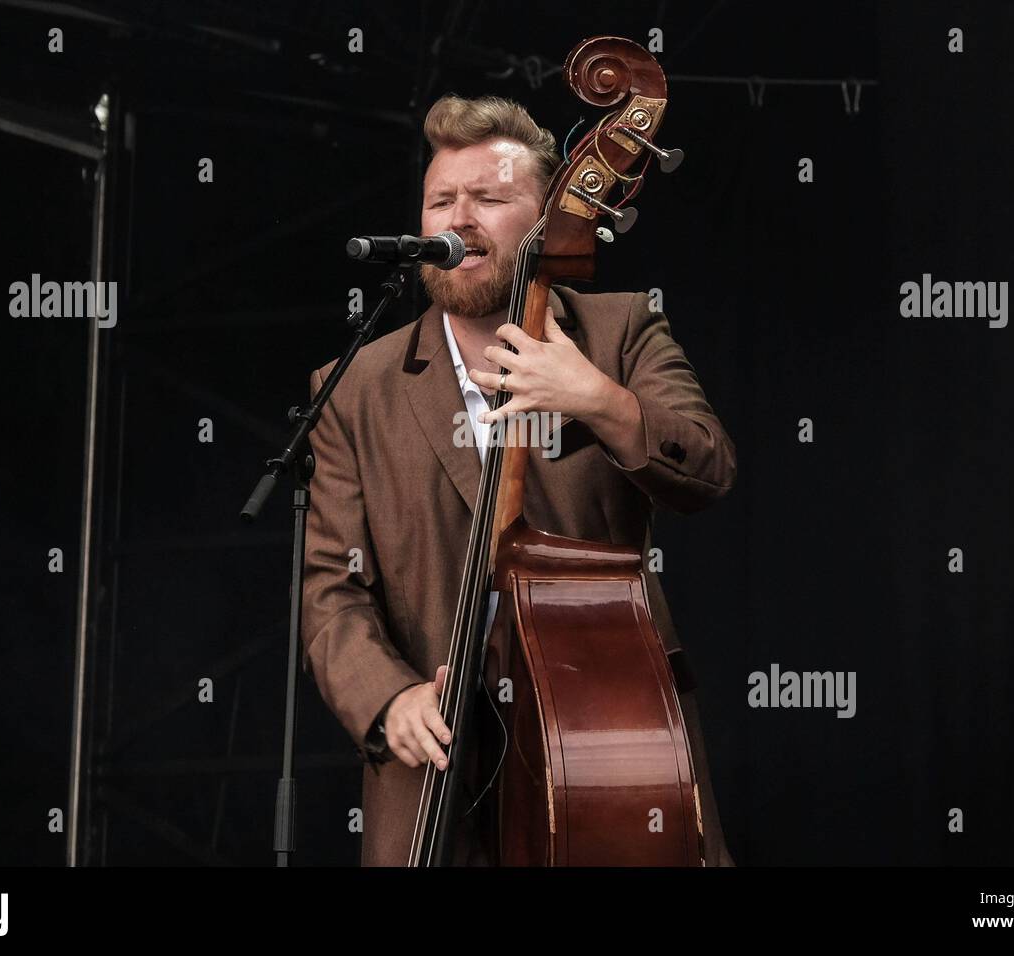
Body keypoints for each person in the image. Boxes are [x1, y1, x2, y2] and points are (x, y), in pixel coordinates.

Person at [302, 94, 738, 866]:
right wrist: (388, 696)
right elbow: (331, 587)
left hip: (609, 743)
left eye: (491, 198)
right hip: (436, 772)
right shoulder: (353, 386)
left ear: (548, 222)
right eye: (441, 200)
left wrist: (598, 399)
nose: (458, 219)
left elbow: (706, 468)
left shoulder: (621, 330)